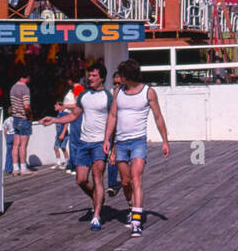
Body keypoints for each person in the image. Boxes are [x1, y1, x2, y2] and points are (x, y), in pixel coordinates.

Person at [41, 62, 113, 230]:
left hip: (99, 143)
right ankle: (98, 199)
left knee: (97, 178)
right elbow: (74, 116)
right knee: (80, 180)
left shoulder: (108, 97)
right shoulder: (84, 96)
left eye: (94, 76)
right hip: (83, 142)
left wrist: (111, 142)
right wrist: (54, 119)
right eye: (90, 75)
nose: (91, 78)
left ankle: (96, 215)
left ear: (102, 77)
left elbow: (113, 120)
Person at [103, 58, 170, 237]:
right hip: (121, 143)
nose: (118, 78)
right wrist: (107, 140)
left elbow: (158, 117)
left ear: (128, 76)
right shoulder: (118, 92)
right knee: (125, 182)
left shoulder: (148, 92)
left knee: (136, 178)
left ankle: (136, 222)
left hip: (138, 141)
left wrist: (165, 140)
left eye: (121, 75)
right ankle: (132, 207)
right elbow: (112, 116)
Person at [9, 73, 33, 175]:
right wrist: (30, 116)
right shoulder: (25, 88)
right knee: (23, 145)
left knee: (15, 145)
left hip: (15, 118)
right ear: (27, 77)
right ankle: (23, 168)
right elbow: (26, 106)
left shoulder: (13, 87)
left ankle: (15, 168)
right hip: (23, 118)